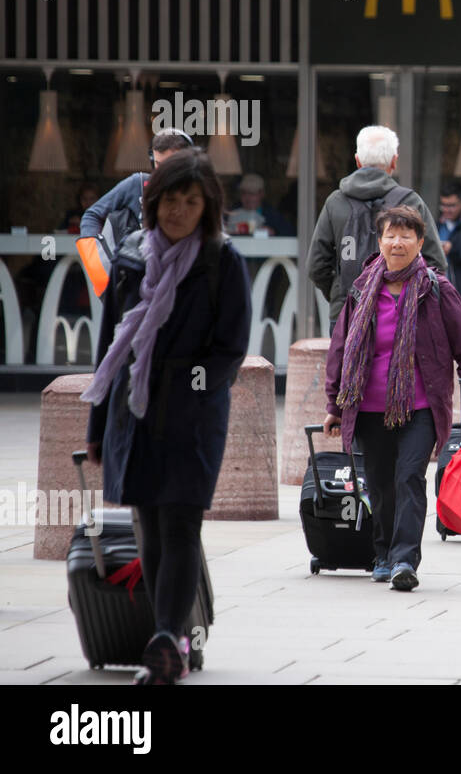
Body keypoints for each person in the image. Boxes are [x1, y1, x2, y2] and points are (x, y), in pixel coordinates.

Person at [81, 149, 253, 684]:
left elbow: (230, 348)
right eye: (171, 200)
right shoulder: (131, 256)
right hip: (133, 413)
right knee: (149, 528)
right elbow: (111, 348)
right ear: (153, 203)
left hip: (193, 417)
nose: (180, 211)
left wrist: (189, 386)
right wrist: (95, 429)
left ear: (208, 207)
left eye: (191, 201)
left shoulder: (222, 261)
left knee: (181, 522)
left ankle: (167, 636)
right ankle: (167, 638)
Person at [322, 205, 461, 591]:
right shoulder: (362, 288)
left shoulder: (436, 289)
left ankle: (403, 560)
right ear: (379, 242)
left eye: (405, 235)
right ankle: (382, 553)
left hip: (421, 406)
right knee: (380, 484)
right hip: (368, 405)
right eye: (390, 235)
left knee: (409, 476)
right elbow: (340, 349)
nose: (397, 242)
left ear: (420, 242)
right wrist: (333, 405)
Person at [307, 125, 447, 331]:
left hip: (346, 313)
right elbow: (436, 262)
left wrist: (340, 293)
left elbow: (316, 266)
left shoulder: (335, 202)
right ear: (394, 161)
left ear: (357, 161)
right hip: (401, 312)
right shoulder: (410, 201)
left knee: (348, 364)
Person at [80, 128, 195, 243]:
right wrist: (94, 258)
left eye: (170, 164)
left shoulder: (199, 193)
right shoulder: (137, 184)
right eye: (158, 164)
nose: (163, 172)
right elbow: (92, 216)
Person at [224, 172, 293, 236]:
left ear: (262, 194)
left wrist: (273, 232)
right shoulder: (231, 213)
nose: (247, 198)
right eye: (244, 193)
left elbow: (290, 235)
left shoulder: (273, 215)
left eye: (252, 193)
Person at [437, 181, 461, 300]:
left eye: (452, 205)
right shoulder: (438, 225)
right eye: (443, 205)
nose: (447, 210)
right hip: (440, 291)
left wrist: (452, 250)